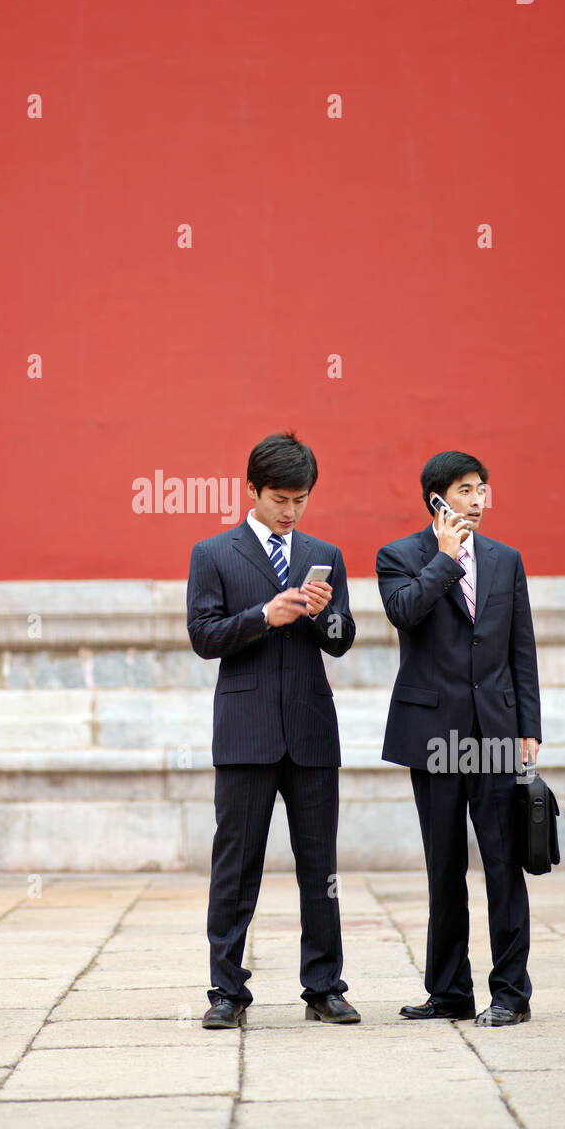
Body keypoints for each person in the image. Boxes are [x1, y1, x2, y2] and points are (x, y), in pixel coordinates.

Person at [186, 431, 359, 1028]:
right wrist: (265, 615)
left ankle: (324, 988)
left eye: (301, 500)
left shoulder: (325, 553)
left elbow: (342, 641)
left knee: (321, 866)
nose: (290, 512)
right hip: (245, 731)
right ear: (252, 490)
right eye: (280, 499)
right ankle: (227, 992)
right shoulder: (213, 553)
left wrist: (320, 614)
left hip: (311, 728)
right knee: (235, 865)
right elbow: (204, 638)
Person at [376, 451, 541, 1027]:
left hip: (494, 733)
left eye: (482, 489)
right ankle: (449, 992)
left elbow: (522, 645)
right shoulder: (399, 556)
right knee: (443, 867)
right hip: (433, 735)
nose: (477, 500)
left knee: (503, 864)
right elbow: (404, 613)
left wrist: (529, 727)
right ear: (437, 500)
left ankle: (510, 995)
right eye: (465, 490)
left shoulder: (505, 560)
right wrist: (445, 558)